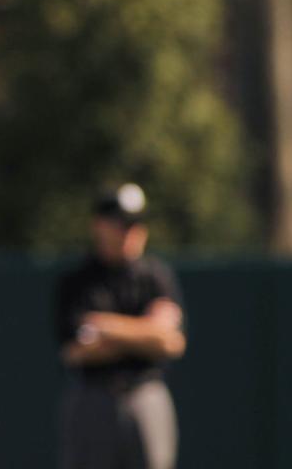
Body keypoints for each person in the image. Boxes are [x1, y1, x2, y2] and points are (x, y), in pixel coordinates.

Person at [53, 183, 186, 469]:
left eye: (136, 225)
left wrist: (106, 327)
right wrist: (146, 332)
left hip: (146, 393)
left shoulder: (156, 277)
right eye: (122, 224)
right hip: (94, 397)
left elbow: (170, 342)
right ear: (99, 225)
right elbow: (76, 351)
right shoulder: (78, 281)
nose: (131, 232)